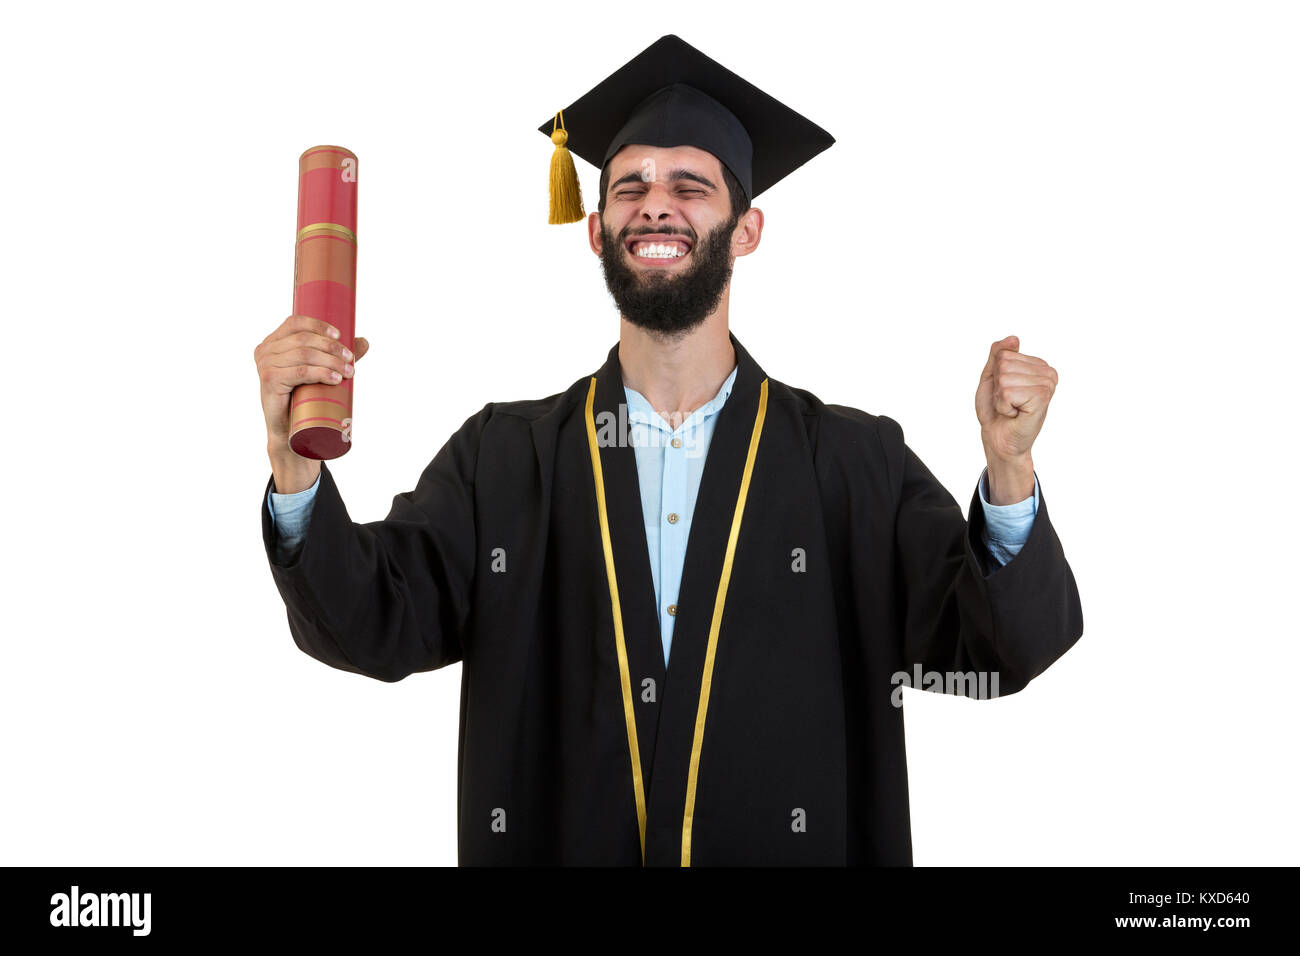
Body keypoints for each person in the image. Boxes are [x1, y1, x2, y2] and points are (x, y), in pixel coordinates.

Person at [253, 35, 1083, 866]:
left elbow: (993, 652)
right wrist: (296, 467)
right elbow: (371, 623)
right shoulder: (505, 460)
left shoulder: (852, 465)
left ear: (747, 229)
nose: (656, 207)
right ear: (596, 230)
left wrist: (1009, 470)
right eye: (630, 188)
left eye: (691, 186)